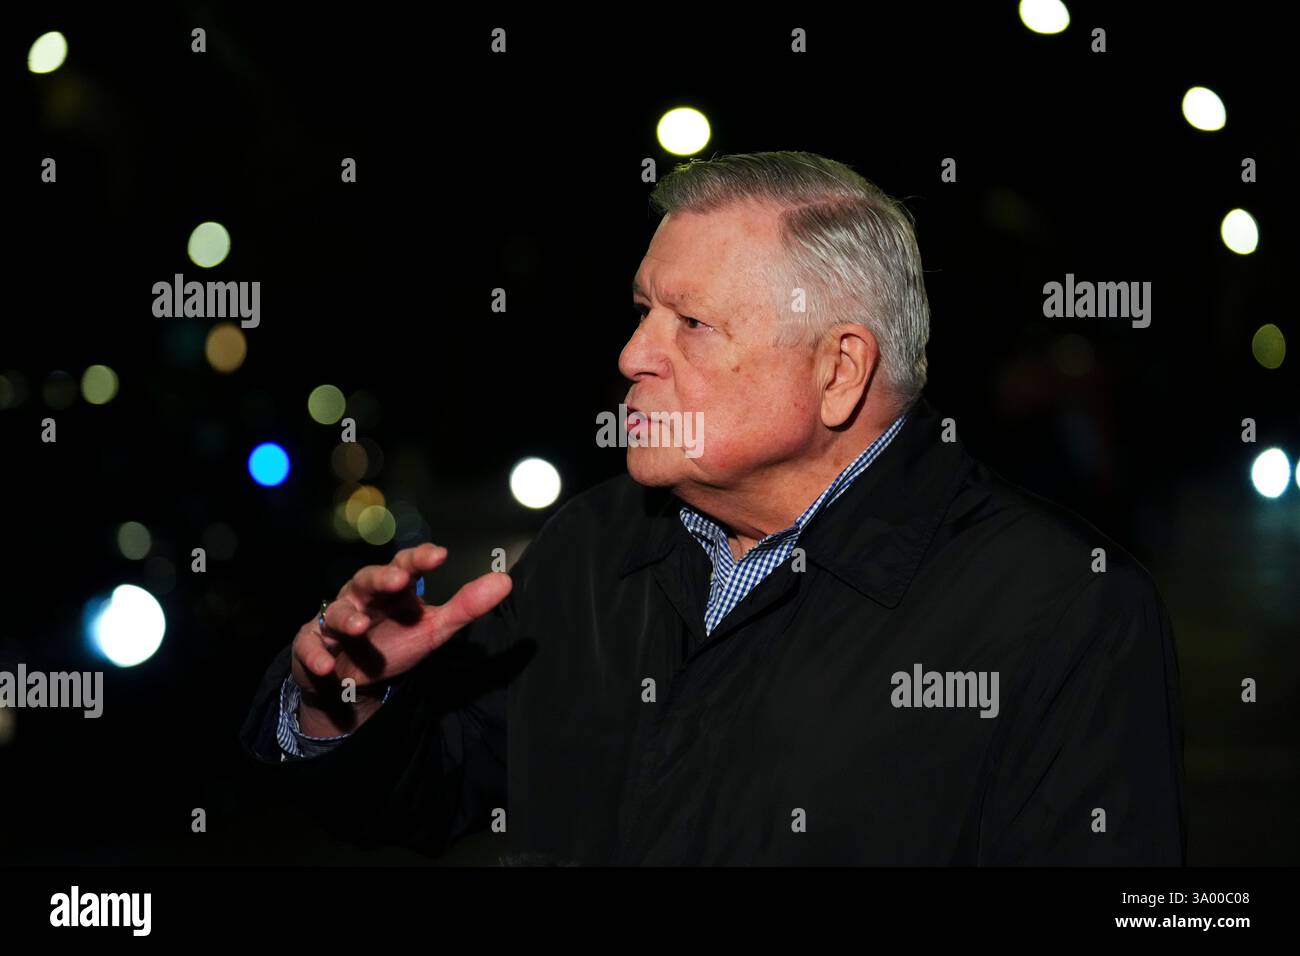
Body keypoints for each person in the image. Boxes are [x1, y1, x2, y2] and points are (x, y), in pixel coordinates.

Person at [240, 151, 1186, 865]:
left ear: (839, 370)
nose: (634, 355)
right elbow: (431, 801)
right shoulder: (592, 546)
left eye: (690, 323)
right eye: (643, 310)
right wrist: (346, 704)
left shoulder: (1066, 611)